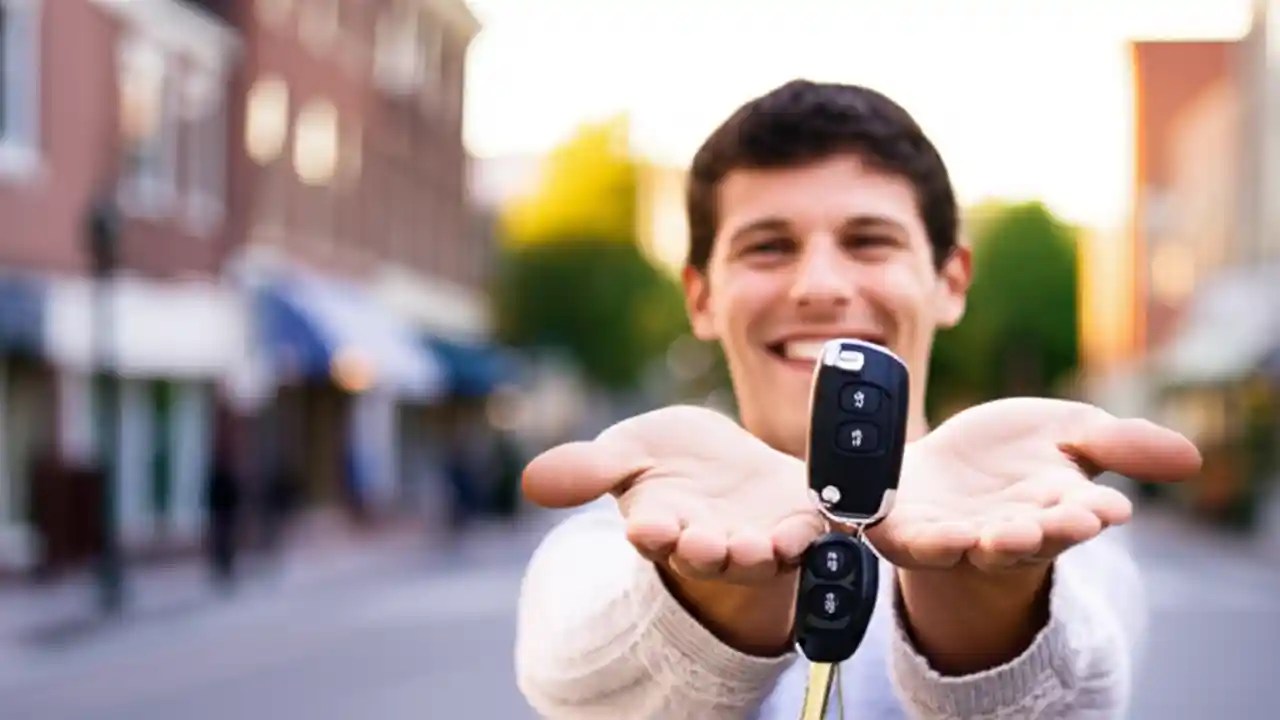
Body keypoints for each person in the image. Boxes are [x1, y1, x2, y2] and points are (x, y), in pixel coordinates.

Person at [513, 79, 1202, 718]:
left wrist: (988, 608)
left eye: (869, 242)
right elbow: (579, 677)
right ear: (701, 296)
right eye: (768, 247)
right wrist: (708, 599)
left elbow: (1077, 691)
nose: (819, 285)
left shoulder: (1063, 542)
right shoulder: (624, 537)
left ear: (951, 281)